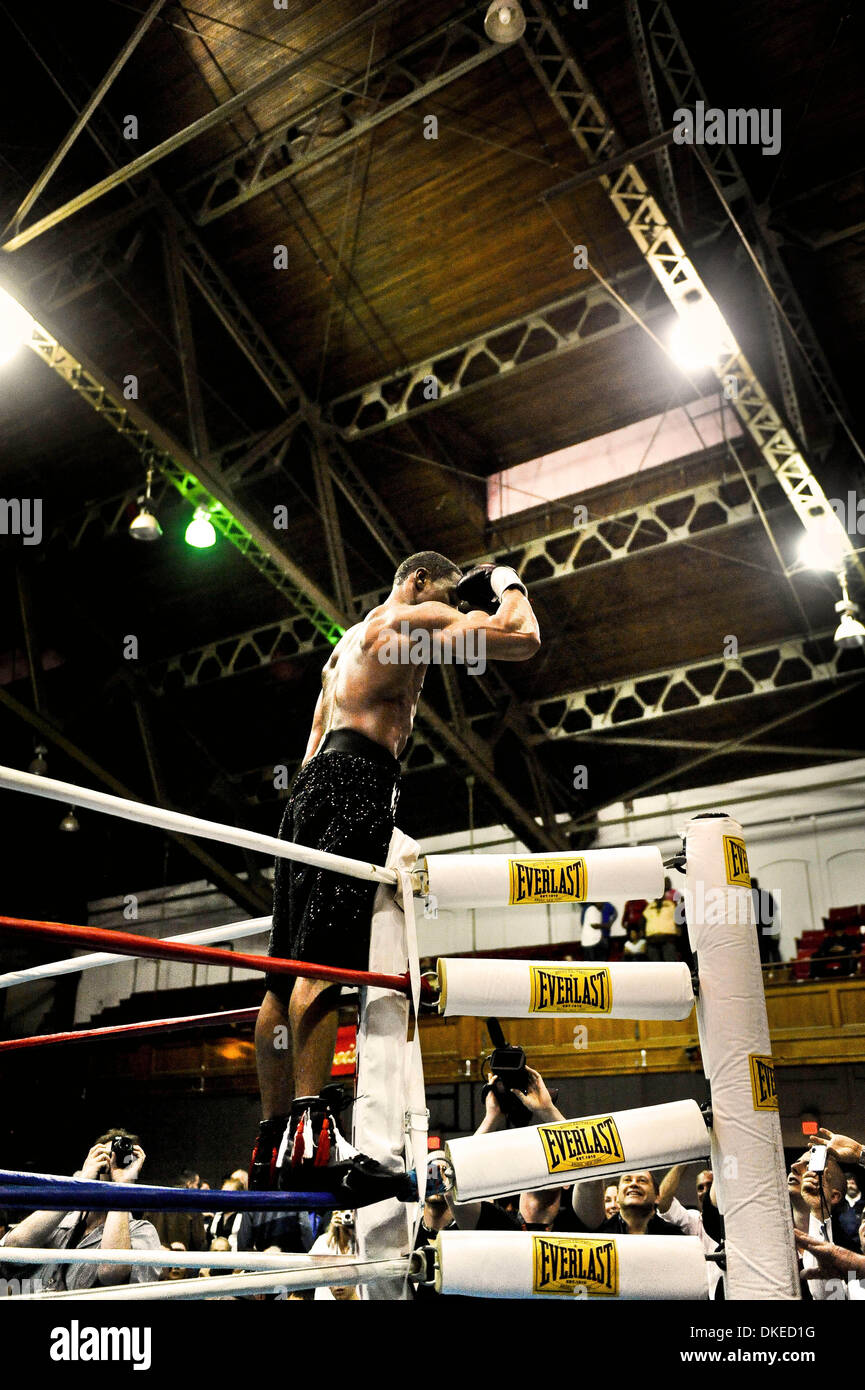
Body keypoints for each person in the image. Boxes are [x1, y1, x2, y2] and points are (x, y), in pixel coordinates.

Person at [250, 553, 541, 1194]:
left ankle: (272, 1137)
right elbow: (522, 636)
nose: (451, 612)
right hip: (356, 784)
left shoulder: (347, 646)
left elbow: (314, 739)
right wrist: (503, 580)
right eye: (446, 597)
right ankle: (310, 1130)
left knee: (281, 972)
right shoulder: (410, 623)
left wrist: (311, 805)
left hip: (309, 791)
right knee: (323, 961)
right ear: (416, 583)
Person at [0, 1129, 160, 1292]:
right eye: (106, 1156)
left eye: (120, 1159)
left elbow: (111, 1273)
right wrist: (80, 1182)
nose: (112, 1164)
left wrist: (122, 1184)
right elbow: (15, 1245)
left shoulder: (141, 1231)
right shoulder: (59, 1219)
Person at [657, 1164, 721, 1296]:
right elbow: (663, 1202)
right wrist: (681, 1162)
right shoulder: (695, 1221)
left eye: (709, 1185)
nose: (705, 1191)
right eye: (700, 1188)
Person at [571, 1169, 686, 1237]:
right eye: (627, 1180)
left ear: (657, 1197)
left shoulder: (674, 1236)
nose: (633, 1184)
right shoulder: (600, 1236)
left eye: (642, 1180)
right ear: (618, 1197)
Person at [642, 879, 681, 962]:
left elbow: (678, 919)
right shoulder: (649, 907)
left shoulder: (670, 905)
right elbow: (643, 920)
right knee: (656, 966)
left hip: (668, 939)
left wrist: (678, 928)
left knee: (670, 963)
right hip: (652, 940)